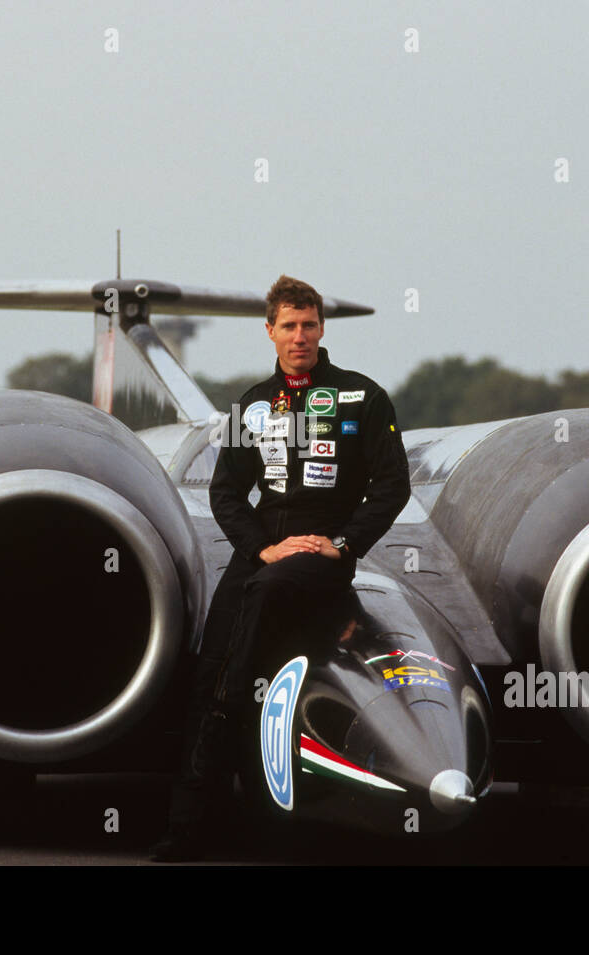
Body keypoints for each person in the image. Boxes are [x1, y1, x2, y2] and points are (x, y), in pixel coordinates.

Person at [151, 274, 411, 861]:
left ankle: (234, 699)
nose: (300, 336)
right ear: (269, 331)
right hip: (262, 555)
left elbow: (392, 485)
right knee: (206, 673)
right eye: (289, 326)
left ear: (322, 329)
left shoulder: (361, 397)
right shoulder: (251, 406)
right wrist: (260, 547)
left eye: (309, 325)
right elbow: (224, 494)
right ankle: (189, 829)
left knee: (251, 627)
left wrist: (344, 545)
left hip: (320, 555)